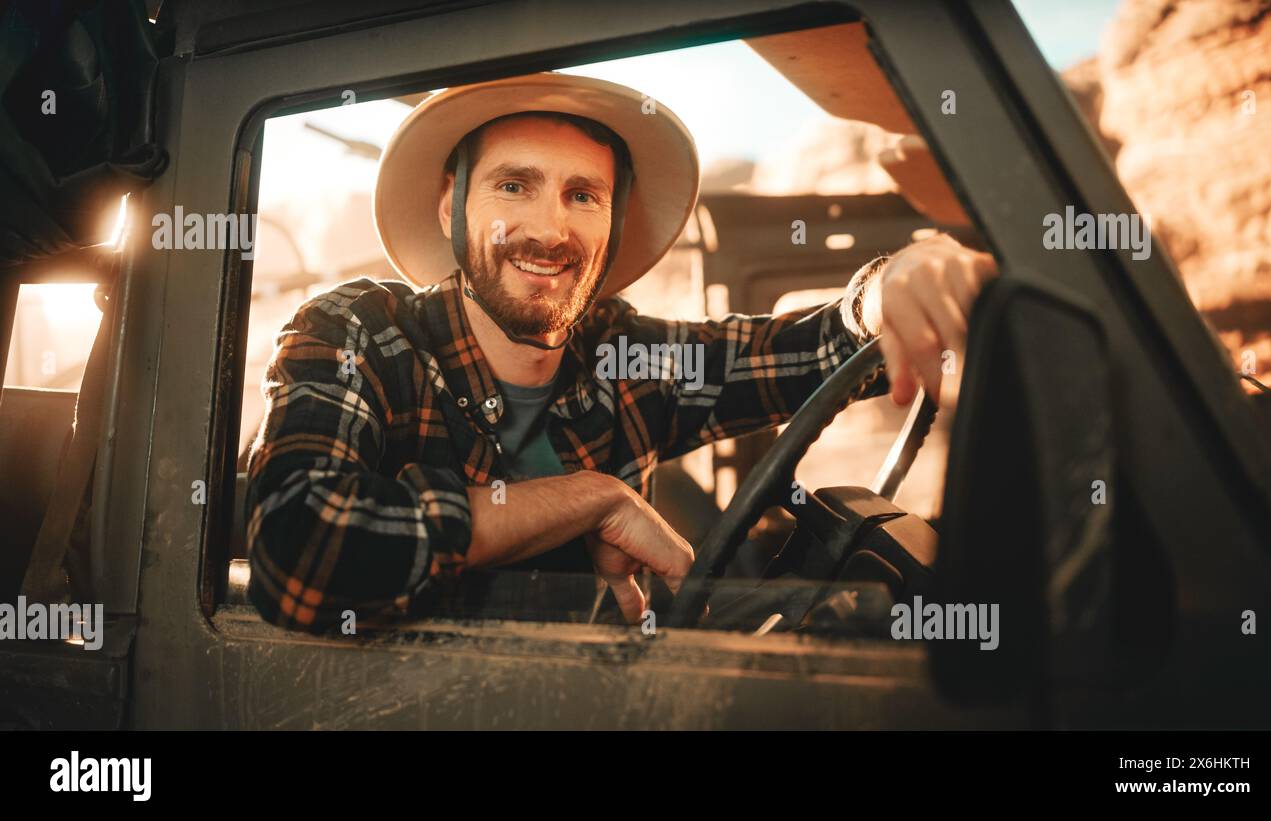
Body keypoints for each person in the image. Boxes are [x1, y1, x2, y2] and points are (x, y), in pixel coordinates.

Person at [244, 73, 996, 633]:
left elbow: (814, 346)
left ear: (611, 221)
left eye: (583, 195)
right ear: (452, 206)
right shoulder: (360, 334)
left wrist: (897, 282)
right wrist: (591, 497)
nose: (549, 229)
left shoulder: (625, 358)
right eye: (514, 185)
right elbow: (300, 546)